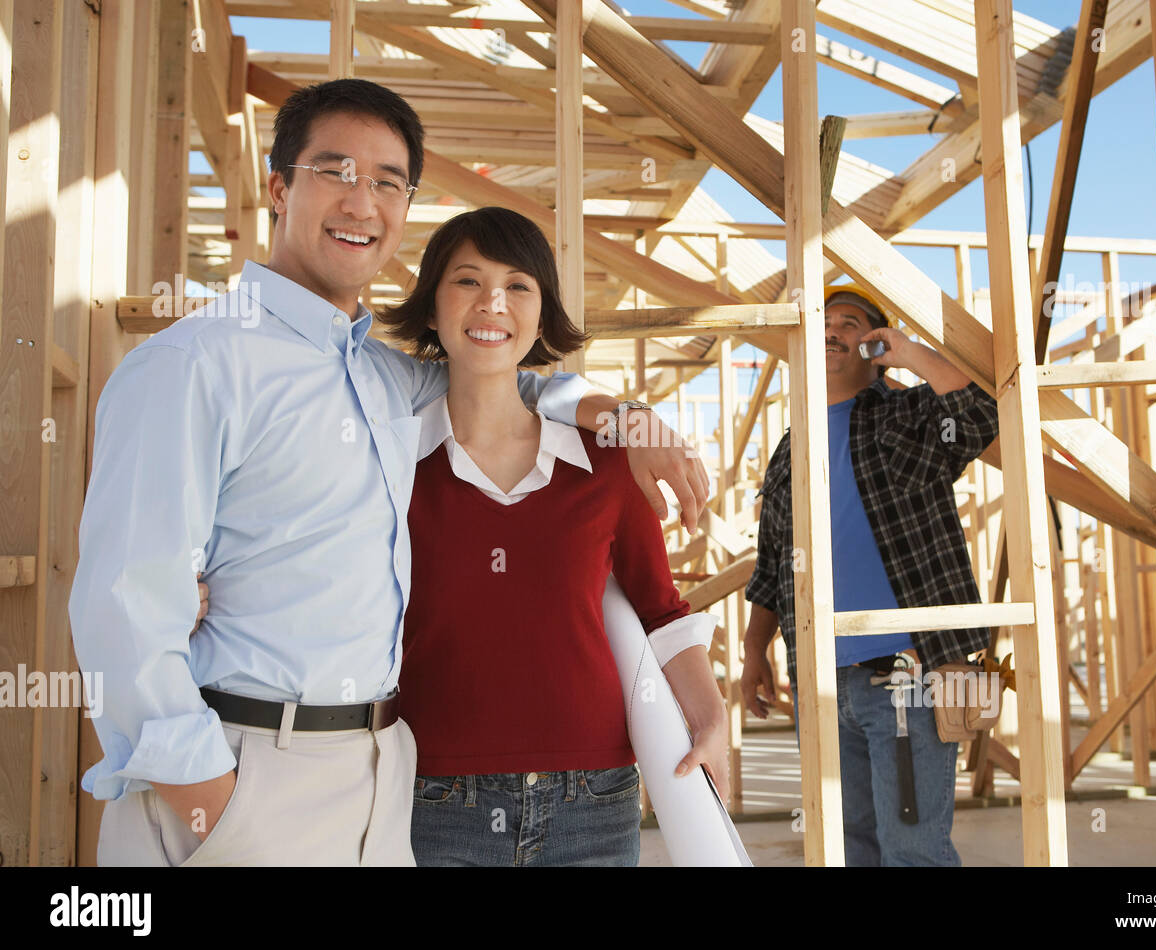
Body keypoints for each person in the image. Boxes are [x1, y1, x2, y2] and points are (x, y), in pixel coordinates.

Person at [69, 78, 707, 867]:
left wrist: (626, 417)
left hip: (377, 782)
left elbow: (509, 381)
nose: (360, 202)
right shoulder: (192, 364)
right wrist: (212, 801)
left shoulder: (384, 379)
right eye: (334, 171)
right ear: (277, 186)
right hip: (242, 774)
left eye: (386, 183)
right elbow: (121, 611)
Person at [381, 206, 727, 866]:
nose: (492, 303)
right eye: (467, 282)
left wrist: (711, 719)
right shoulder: (393, 466)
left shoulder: (606, 461)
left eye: (518, 285)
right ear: (431, 308)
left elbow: (661, 611)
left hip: (592, 800)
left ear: (541, 316)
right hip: (435, 800)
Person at [741, 285, 1000, 866]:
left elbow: (983, 412)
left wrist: (911, 356)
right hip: (822, 679)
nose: (832, 330)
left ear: (875, 343)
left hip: (907, 673)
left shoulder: (907, 414)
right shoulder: (791, 448)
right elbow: (771, 562)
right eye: (822, 322)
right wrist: (753, 650)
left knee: (912, 850)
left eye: (850, 323)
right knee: (846, 847)